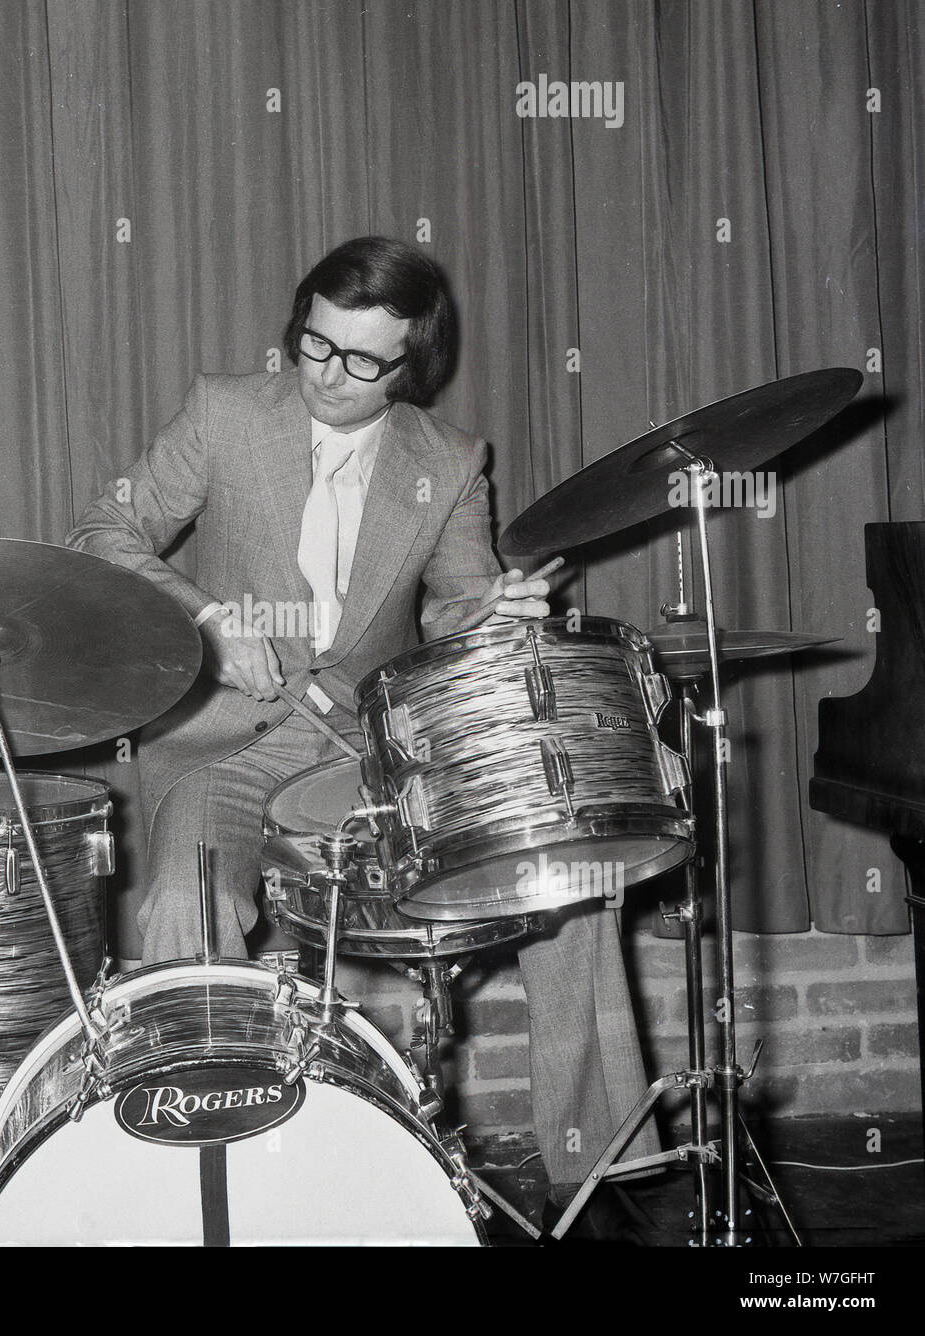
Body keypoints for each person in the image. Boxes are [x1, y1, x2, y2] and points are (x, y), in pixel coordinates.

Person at [67, 236, 658, 1235]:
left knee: (569, 878)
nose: (329, 376)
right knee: (183, 898)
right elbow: (102, 535)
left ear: (409, 365)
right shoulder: (223, 413)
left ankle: (597, 1167)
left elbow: (456, 608)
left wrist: (496, 611)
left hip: (376, 749)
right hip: (228, 740)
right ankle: (212, 1178)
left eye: (362, 360)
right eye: (315, 344)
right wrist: (206, 620)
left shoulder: (449, 461)